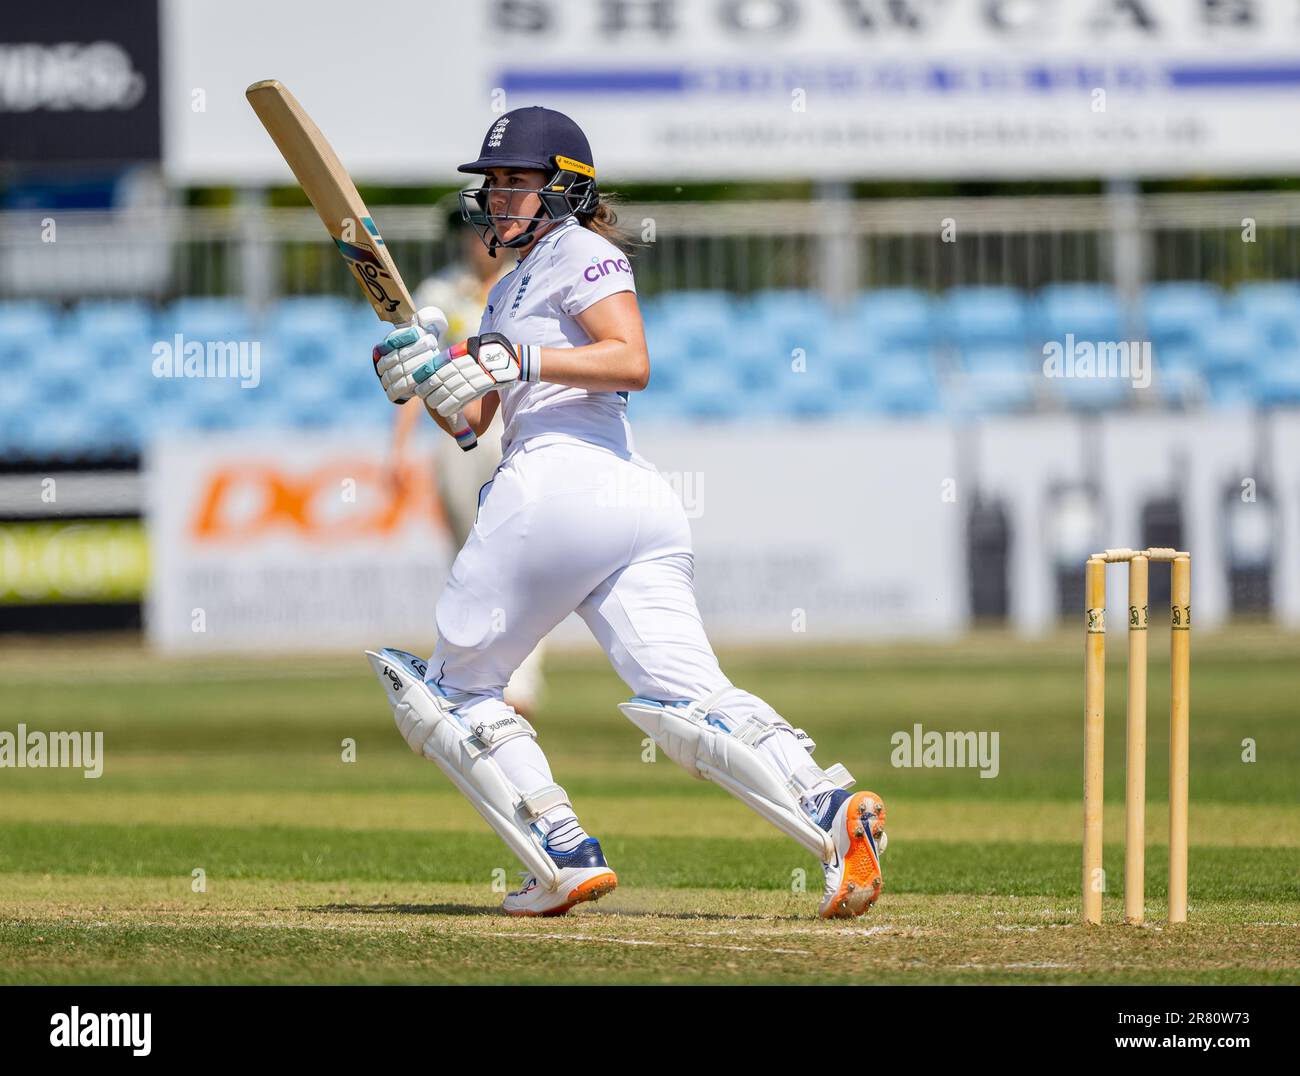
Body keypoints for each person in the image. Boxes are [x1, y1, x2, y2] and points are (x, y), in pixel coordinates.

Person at [371, 106, 886, 918]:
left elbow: (630, 360)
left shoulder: (583, 251)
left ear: (566, 189)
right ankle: (833, 810)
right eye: (492, 183)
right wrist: (426, 379)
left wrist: (518, 356)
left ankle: (563, 853)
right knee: (687, 698)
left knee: (448, 693)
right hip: (627, 504)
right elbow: (476, 426)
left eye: (516, 181)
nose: (499, 198)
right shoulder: (506, 289)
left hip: (559, 488)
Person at [389, 209, 546, 719]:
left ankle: (519, 680)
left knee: (522, 556)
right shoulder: (440, 293)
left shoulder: (524, 283)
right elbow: (419, 378)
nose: (480, 244)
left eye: (485, 232)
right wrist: (397, 448)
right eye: (469, 234)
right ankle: (475, 676)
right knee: (470, 556)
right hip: (459, 430)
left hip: (515, 425)